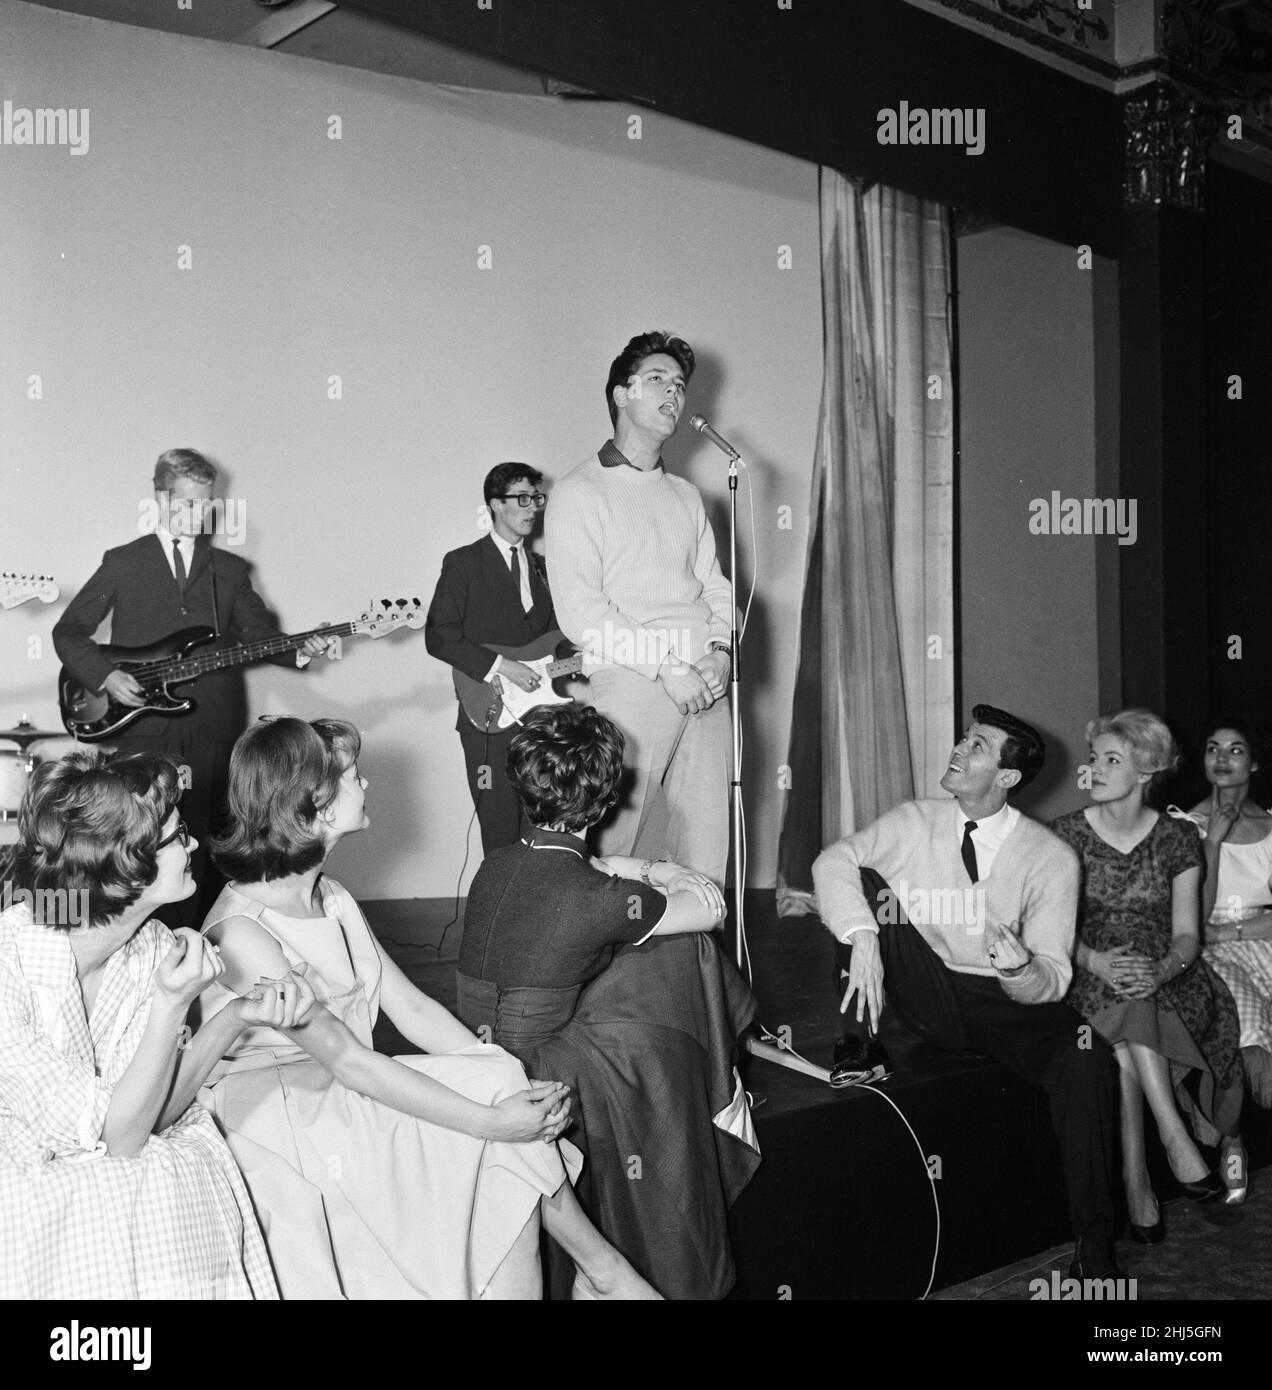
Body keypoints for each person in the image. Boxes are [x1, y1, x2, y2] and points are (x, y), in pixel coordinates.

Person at [197, 715, 658, 1300]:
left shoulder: (329, 896)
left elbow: (410, 1008)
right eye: (354, 777)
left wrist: (502, 1071)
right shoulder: (243, 931)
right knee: (491, 1119)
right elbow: (347, 1061)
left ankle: (597, 1275)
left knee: (495, 1080)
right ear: (313, 806)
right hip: (280, 1111)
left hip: (338, 1088)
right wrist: (491, 1115)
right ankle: (605, 1273)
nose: (367, 785)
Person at [456, 704, 759, 1300]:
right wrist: (665, 872)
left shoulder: (495, 866)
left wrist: (635, 867)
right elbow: (712, 909)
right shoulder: (598, 898)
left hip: (478, 1061)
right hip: (543, 1078)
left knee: (644, 948)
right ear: (603, 801)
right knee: (685, 949)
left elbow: (586, 868)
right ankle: (716, 1088)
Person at [813, 704, 1120, 1280]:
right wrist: (863, 936)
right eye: (963, 739)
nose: (958, 749)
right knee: (861, 879)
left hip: (997, 1002)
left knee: (1089, 1058)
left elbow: (1053, 979)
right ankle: (859, 1039)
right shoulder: (914, 820)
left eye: (977, 746)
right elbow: (834, 859)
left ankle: (1096, 1247)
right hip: (922, 984)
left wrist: (1020, 968)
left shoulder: (1051, 857)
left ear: (1006, 778)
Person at [0, 749, 305, 1298]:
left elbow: (143, 1116)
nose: (192, 845)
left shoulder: (152, 946)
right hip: (17, 1165)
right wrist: (171, 1003)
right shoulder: (10, 954)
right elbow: (120, 1141)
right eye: (176, 835)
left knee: (173, 1170)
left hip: (104, 1145)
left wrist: (234, 1016)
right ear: (124, 861)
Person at [53, 448, 331, 926]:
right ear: (160, 498)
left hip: (212, 721)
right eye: (186, 504)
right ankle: (139, 942)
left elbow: (259, 638)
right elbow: (69, 633)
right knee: (138, 832)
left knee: (206, 832)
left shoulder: (229, 570)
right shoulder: (124, 562)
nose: (198, 515)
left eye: (206, 505)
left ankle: (202, 942)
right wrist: (106, 677)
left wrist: (304, 648)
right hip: (142, 722)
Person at [545, 331, 733, 883]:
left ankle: (694, 966)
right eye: (657, 379)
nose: (673, 392)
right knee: (616, 845)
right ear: (621, 394)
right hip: (635, 679)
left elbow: (716, 588)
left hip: (707, 678)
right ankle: (612, 968)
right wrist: (667, 667)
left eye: (679, 384)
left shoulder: (687, 496)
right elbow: (580, 613)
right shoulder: (580, 491)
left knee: (704, 850)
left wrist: (721, 653)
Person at [1052, 710, 1243, 1244]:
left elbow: (1188, 937)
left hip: (1169, 976)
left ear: (1145, 771)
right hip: (1088, 965)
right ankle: (1173, 1135)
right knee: (1124, 989)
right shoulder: (1065, 834)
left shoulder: (1178, 837)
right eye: (1095, 758)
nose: (1095, 768)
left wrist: (1158, 971)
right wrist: (1094, 960)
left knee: (1133, 999)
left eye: (1112, 759)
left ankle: (1137, 1181)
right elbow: (1049, 929)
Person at [425, 463, 560, 855]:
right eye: (522, 498)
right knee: (499, 833)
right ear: (494, 505)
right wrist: (502, 667)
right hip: (486, 714)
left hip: (542, 717)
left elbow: (554, 640)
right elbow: (439, 634)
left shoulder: (545, 568)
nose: (532, 507)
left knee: (543, 833)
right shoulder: (463, 563)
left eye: (536, 497)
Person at [1177, 718, 1272, 1198]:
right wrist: (1211, 841)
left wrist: (1232, 929)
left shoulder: (1271, 827)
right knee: (1241, 1018)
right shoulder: (1183, 825)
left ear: (1253, 762)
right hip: (1208, 952)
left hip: (1256, 941)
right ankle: (1233, 1143)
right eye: (1213, 748)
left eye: (1236, 750)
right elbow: (1194, 913)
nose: (1222, 757)